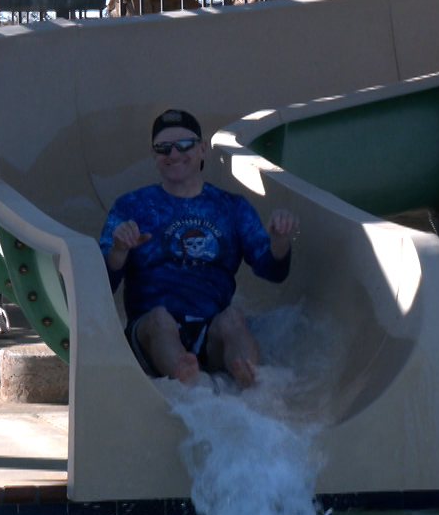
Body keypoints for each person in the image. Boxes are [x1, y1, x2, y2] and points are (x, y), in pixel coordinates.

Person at [98, 108, 300, 389]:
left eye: (185, 145)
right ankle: (188, 379)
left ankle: (251, 381)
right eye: (164, 148)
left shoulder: (231, 206)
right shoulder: (132, 206)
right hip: (151, 333)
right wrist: (119, 250)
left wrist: (279, 241)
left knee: (233, 319)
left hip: (210, 329)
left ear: (202, 149)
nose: (174, 154)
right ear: (155, 156)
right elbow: (100, 284)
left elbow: (272, 271)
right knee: (160, 319)